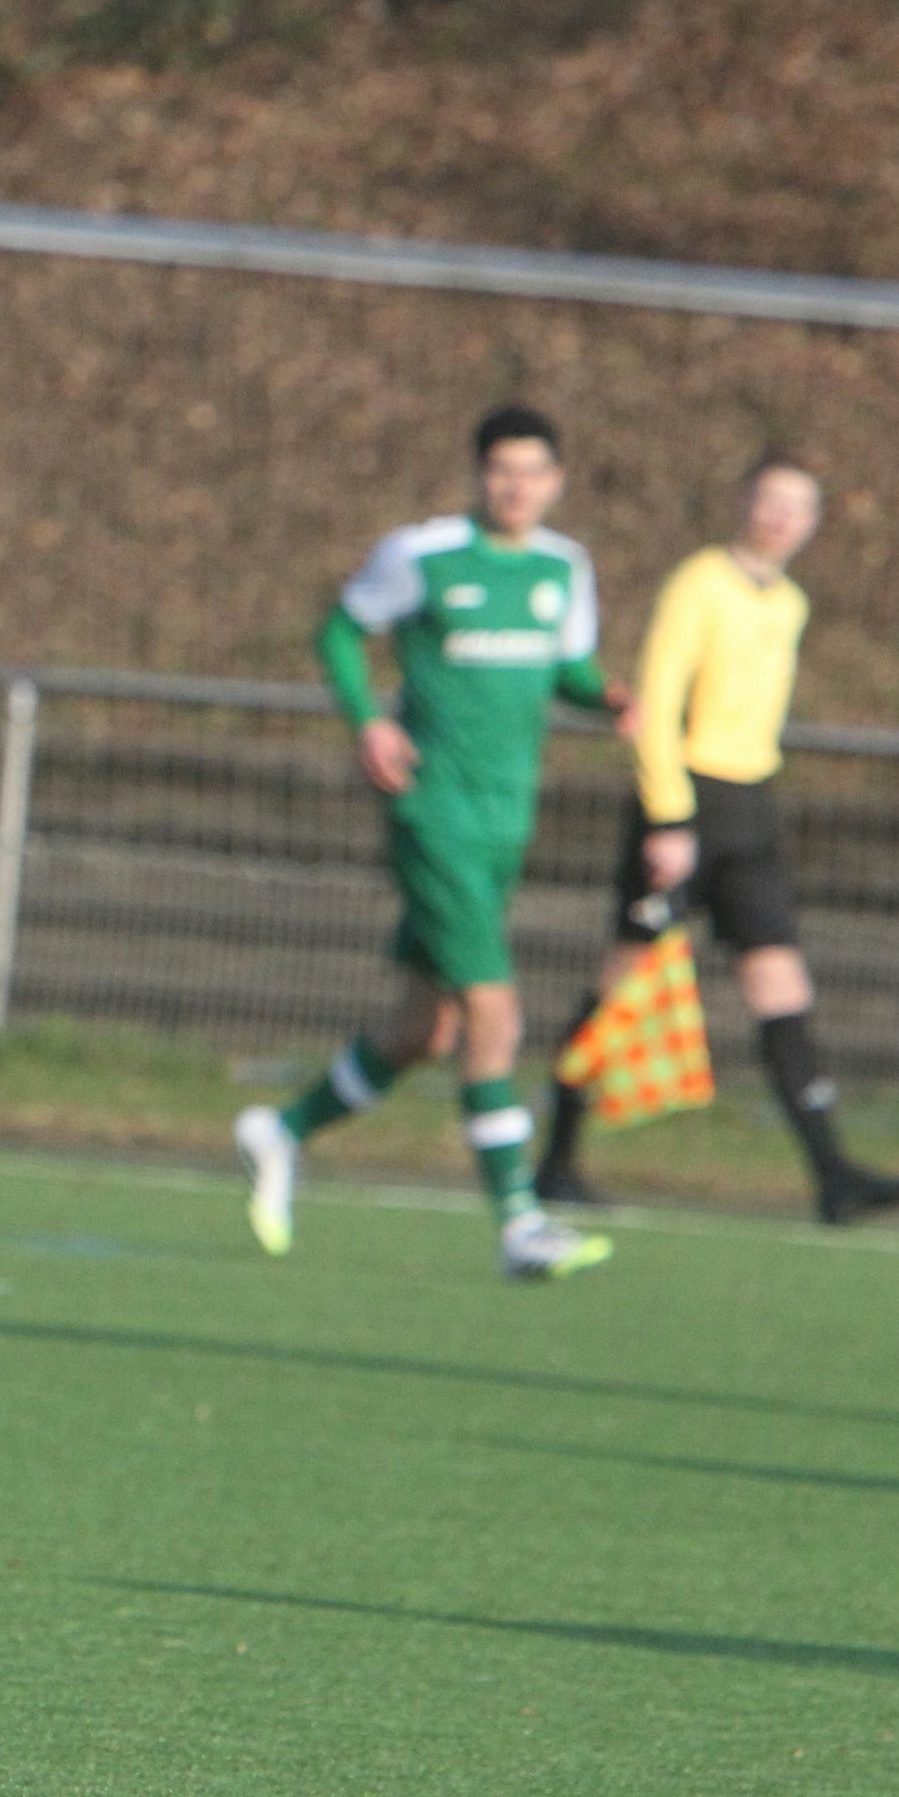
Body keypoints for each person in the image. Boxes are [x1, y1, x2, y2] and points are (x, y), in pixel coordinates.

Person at [236, 405, 620, 1283]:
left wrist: (611, 700)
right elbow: (338, 629)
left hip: (506, 819)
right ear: (478, 475)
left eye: (533, 471)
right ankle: (519, 1222)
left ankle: (281, 1130)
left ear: (557, 481)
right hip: (433, 810)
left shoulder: (565, 569)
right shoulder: (424, 555)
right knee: (494, 1012)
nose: (516, 486)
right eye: (501, 470)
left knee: (422, 1026)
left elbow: (568, 670)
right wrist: (369, 721)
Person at [537, 456, 899, 1224]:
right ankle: (554, 1161)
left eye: (799, 507)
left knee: (781, 987)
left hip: (750, 810)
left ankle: (833, 1175)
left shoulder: (790, 602)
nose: (782, 517)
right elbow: (657, 703)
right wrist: (669, 816)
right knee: (621, 984)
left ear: (813, 523)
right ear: (745, 501)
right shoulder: (698, 583)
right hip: (685, 802)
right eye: (771, 500)